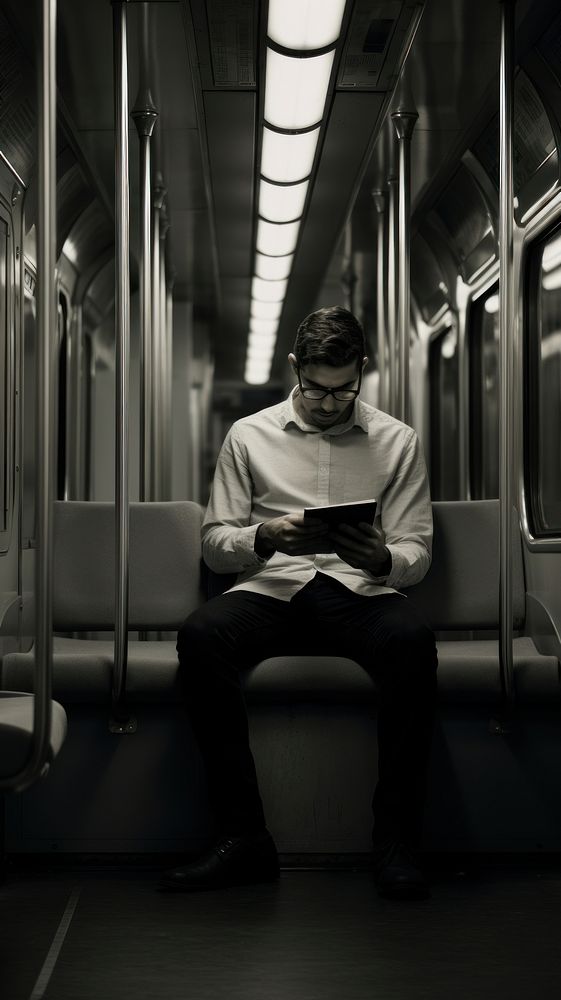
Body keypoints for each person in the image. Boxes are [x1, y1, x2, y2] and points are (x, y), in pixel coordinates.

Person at [162, 305, 438, 899]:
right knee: (202, 634)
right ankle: (242, 838)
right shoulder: (248, 435)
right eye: (316, 389)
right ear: (295, 368)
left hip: (356, 589)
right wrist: (264, 537)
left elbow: (416, 545)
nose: (328, 404)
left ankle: (396, 843)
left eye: (343, 391)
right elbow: (215, 544)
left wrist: (381, 558)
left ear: (361, 370)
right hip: (274, 585)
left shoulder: (397, 441)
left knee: (413, 642)